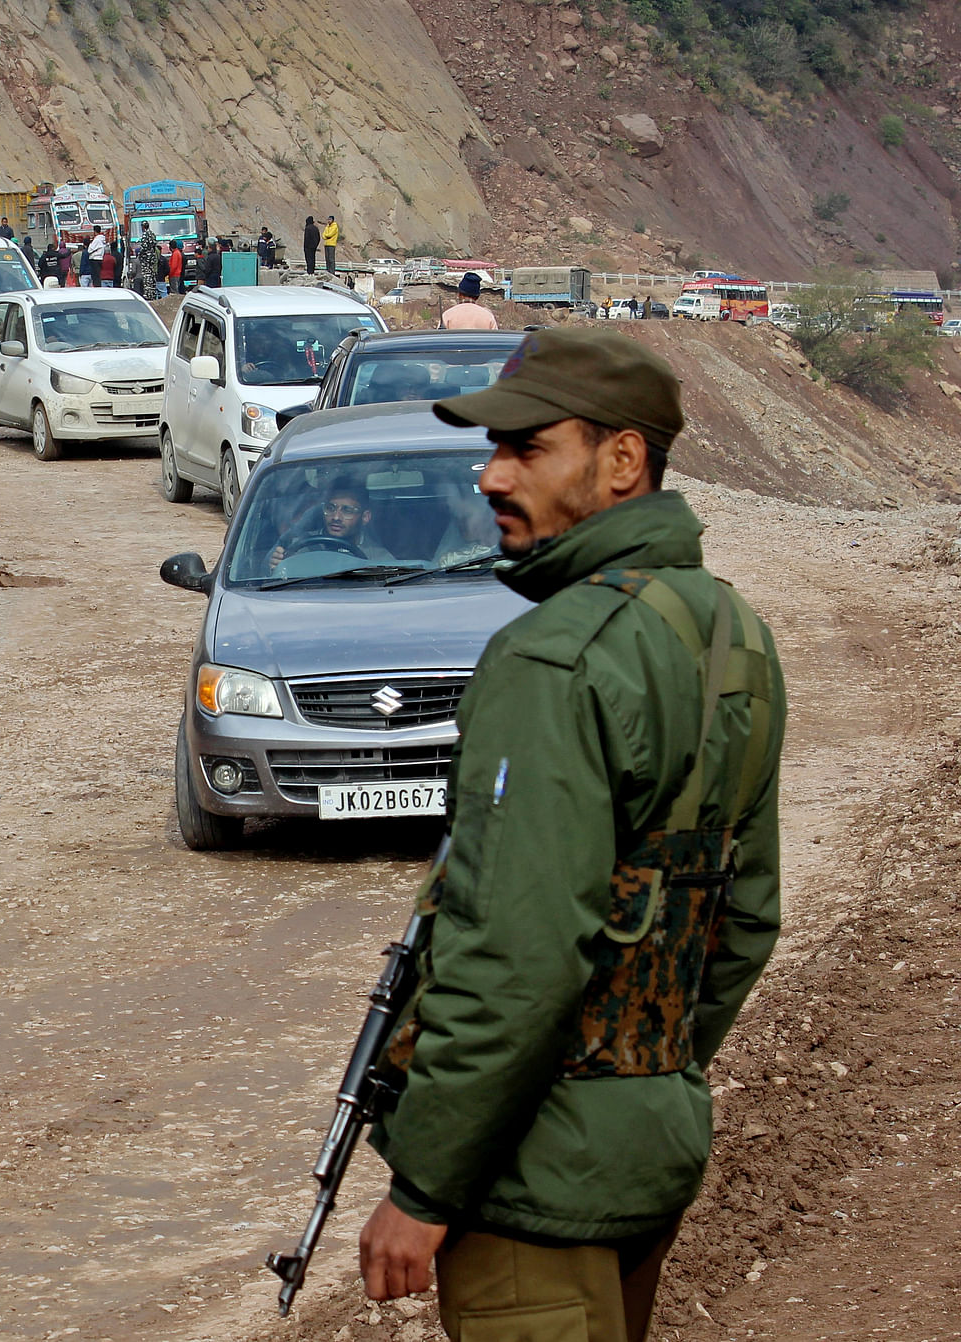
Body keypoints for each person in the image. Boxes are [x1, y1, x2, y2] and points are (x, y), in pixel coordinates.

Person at [356, 327, 787, 1342]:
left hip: (527, 1179)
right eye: (490, 450)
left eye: (526, 449)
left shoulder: (549, 658)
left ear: (621, 459)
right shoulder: (729, 632)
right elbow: (743, 917)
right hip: (647, 1150)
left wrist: (422, 1187)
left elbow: (512, 952)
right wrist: (643, 1083)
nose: (491, 476)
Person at [269, 477, 395, 565]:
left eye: (347, 510)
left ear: (365, 517)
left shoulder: (379, 559)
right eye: (330, 508)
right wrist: (279, 566)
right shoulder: (300, 548)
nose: (336, 517)